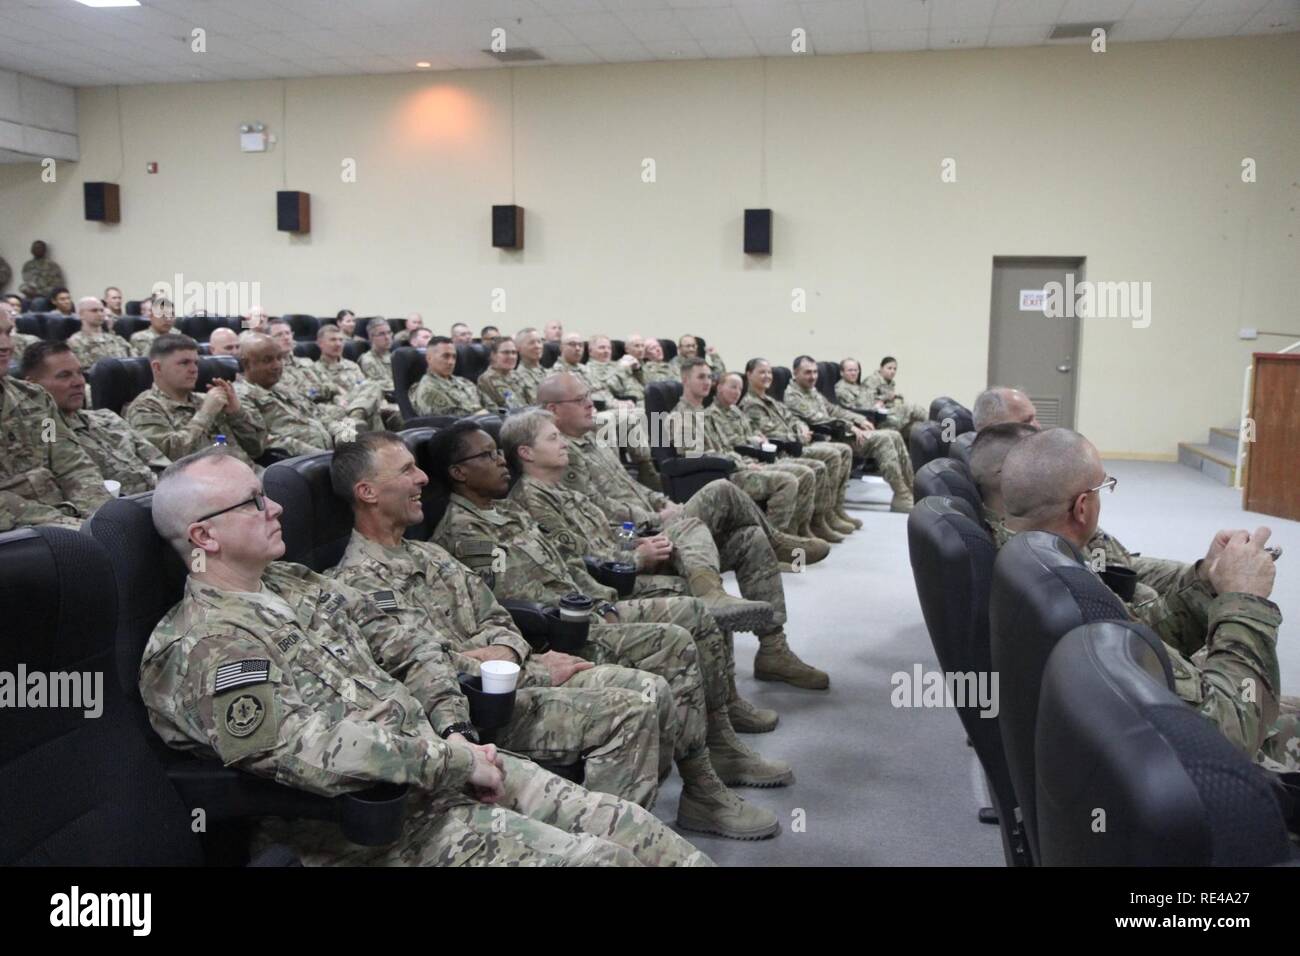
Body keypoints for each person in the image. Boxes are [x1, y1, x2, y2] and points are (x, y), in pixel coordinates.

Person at [140, 449, 711, 866]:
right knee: (599, 862)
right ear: (205, 538)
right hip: (367, 831)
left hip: (440, 770)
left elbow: (409, 645)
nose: (277, 508)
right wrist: (451, 763)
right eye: (255, 501)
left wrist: (455, 730)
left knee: (634, 830)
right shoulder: (206, 643)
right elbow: (301, 748)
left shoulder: (291, 583)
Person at [429, 422, 791, 838]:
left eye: (498, 452)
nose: (500, 460)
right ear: (458, 472)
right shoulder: (466, 532)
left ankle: (719, 736)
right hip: (556, 634)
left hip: (591, 606)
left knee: (694, 609)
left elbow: (570, 564)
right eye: (487, 455)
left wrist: (608, 589)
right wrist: (609, 596)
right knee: (679, 634)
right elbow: (511, 606)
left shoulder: (506, 510)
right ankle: (703, 787)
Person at [327, 432, 670, 808]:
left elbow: (498, 617)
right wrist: (520, 666)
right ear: (368, 492)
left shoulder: (430, 555)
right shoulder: (353, 585)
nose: (424, 478)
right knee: (631, 710)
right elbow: (424, 667)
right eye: (407, 470)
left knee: (651, 688)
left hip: (514, 679)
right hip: (471, 714)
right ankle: (613, 834)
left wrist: (501, 652)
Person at [1000, 427, 1297, 772]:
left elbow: (1147, 632)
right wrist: (1244, 600)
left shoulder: (1031, 564)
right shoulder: (1082, 599)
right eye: (1104, 488)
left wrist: (1206, 581)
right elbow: (1233, 733)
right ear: (1083, 507)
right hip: (1202, 781)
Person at [541, 373, 831, 691]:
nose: (589, 404)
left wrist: (662, 500)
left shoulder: (594, 441)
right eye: (580, 399)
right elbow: (601, 510)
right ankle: (780, 543)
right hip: (638, 536)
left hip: (658, 521)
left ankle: (773, 650)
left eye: (588, 396)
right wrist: (657, 515)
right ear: (553, 409)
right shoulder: (556, 455)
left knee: (750, 539)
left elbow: (633, 487)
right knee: (721, 489)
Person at [671, 359, 815, 542]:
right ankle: (773, 546)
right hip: (717, 480)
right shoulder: (682, 416)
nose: (707, 382)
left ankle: (793, 535)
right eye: (701, 377)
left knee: (803, 474)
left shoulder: (701, 412)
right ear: (684, 380)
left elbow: (725, 448)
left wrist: (746, 462)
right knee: (786, 481)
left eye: (709, 377)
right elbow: (696, 457)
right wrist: (742, 464)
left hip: (733, 467)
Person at [0, 319, 111, 531]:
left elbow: (68, 462)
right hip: (15, 538)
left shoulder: (34, 398)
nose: (5, 344)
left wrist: (104, 519)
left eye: (8, 332)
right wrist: (67, 526)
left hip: (68, 520)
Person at [707, 370, 840, 544]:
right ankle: (773, 543)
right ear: (719, 387)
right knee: (789, 480)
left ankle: (799, 528)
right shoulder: (710, 415)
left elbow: (756, 432)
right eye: (732, 387)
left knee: (810, 471)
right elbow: (728, 447)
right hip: (738, 468)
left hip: (757, 459)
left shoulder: (735, 411)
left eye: (739, 388)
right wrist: (748, 454)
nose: (737, 392)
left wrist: (758, 438)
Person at [22, 341, 169, 496]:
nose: (79, 382)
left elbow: (162, 466)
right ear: (32, 386)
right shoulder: (41, 437)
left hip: (165, 499)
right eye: (64, 376)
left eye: (80, 373)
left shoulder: (107, 418)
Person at [741, 358, 860, 534]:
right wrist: (797, 434)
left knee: (841, 450)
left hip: (788, 445)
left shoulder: (770, 400)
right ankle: (802, 527)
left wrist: (800, 427)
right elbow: (770, 432)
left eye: (769, 372)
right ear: (749, 375)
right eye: (762, 372)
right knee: (827, 458)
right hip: (779, 451)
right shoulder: (750, 404)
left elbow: (791, 419)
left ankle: (827, 514)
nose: (767, 376)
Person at [784, 355, 914, 513]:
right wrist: (851, 426)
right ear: (795, 373)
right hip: (830, 437)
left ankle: (910, 488)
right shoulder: (793, 396)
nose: (813, 377)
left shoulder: (811, 390)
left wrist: (858, 419)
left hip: (840, 432)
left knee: (894, 435)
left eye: (815, 372)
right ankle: (901, 494)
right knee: (883, 439)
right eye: (807, 373)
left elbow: (833, 410)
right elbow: (819, 419)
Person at [125, 333, 266, 468]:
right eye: (184, 363)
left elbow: (256, 449)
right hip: (210, 488)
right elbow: (168, 464)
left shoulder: (208, 399)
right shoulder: (145, 408)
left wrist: (236, 412)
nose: (194, 369)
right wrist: (206, 413)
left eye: (196, 363)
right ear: (157, 367)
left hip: (251, 474)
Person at [234, 334, 363, 455]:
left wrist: (347, 441)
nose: (277, 365)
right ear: (246, 364)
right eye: (268, 360)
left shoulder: (284, 389)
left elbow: (322, 417)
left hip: (331, 454)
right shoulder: (241, 396)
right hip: (300, 463)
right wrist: (323, 456)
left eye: (279, 358)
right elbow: (265, 442)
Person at [409, 336, 490, 418]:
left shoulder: (464, 381)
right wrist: (479, 414)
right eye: (445, 356)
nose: (451, 362)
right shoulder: (427, 389)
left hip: (488, 423)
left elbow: (490, 404)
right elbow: (446, 419)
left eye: (454, 357)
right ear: (429, 358)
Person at [858, 356, 927, 439]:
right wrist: (885, 398)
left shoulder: (890, 383)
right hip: (878, 417)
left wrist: (896, 398)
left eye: (894, 369)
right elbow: (865, 405)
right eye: (889, 368)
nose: (892, 371)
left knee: (914, 427)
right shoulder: (872, 380)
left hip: (890, 413)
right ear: (881, 368)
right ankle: (938, 424)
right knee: (911, 408)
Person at [66, 296, 131, 368]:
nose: (100, 314)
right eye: (94, 310)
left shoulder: (118, 340)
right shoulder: (75, 342)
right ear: (81, 314)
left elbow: (134, 363)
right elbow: (84, 370)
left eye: (102, 310)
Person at [585, 334, 645, 403]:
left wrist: (637, 370)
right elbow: (608, 388)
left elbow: (641, 386)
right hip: (620, 406)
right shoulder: (588, 370)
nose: (606, 351)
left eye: (609, 348)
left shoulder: (619, 363)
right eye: (602, 348)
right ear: (590, 351)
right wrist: (621, 368)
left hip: (641, 402)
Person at [475, 336, 524, 413]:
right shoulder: (486, 380)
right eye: (506, 352)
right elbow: (494, 411)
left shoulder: (518, 375)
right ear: (493, 355)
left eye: (514, 353)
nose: (511, 357)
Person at [509, 327, 547, 404]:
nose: (537, 346)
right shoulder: (515, 378)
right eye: (531, 343)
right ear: (518, 348)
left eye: (539, 342)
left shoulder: (551, 373)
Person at [358, 319, 395, 390]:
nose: (387, 337)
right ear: (371, 337)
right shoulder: (368, 360)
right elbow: (383, 386)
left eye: (389, 333)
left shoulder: (394, 356)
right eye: (382, 334)